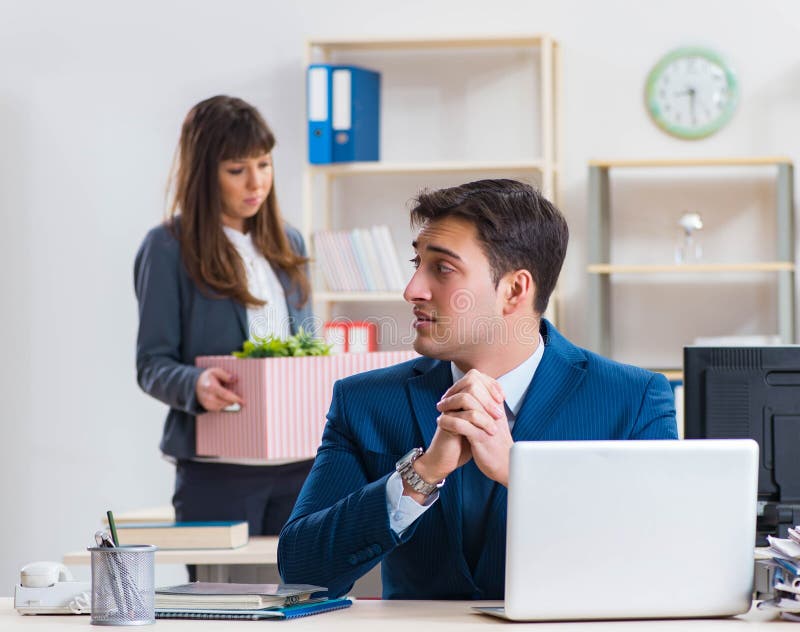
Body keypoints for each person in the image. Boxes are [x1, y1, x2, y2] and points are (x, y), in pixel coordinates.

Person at [277, 179, 677, 599]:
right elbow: (303, 571)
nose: (412, 289)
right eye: (417, 263)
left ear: (515, 290)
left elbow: (664, 562)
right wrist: (421, 475)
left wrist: (519, 474)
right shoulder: (365, 403)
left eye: (443, 268)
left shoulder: (633, 400)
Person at [134, 96, 316, 569]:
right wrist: (196, 385)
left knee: (301, 602)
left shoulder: (288, 243)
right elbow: (151, 364)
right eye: (237, 169)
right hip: (218, 474)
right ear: (204, 173)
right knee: (221, 605)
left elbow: (306, 351)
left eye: (264, 164)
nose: (256, 182)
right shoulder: (167, 248)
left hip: (299, 469)